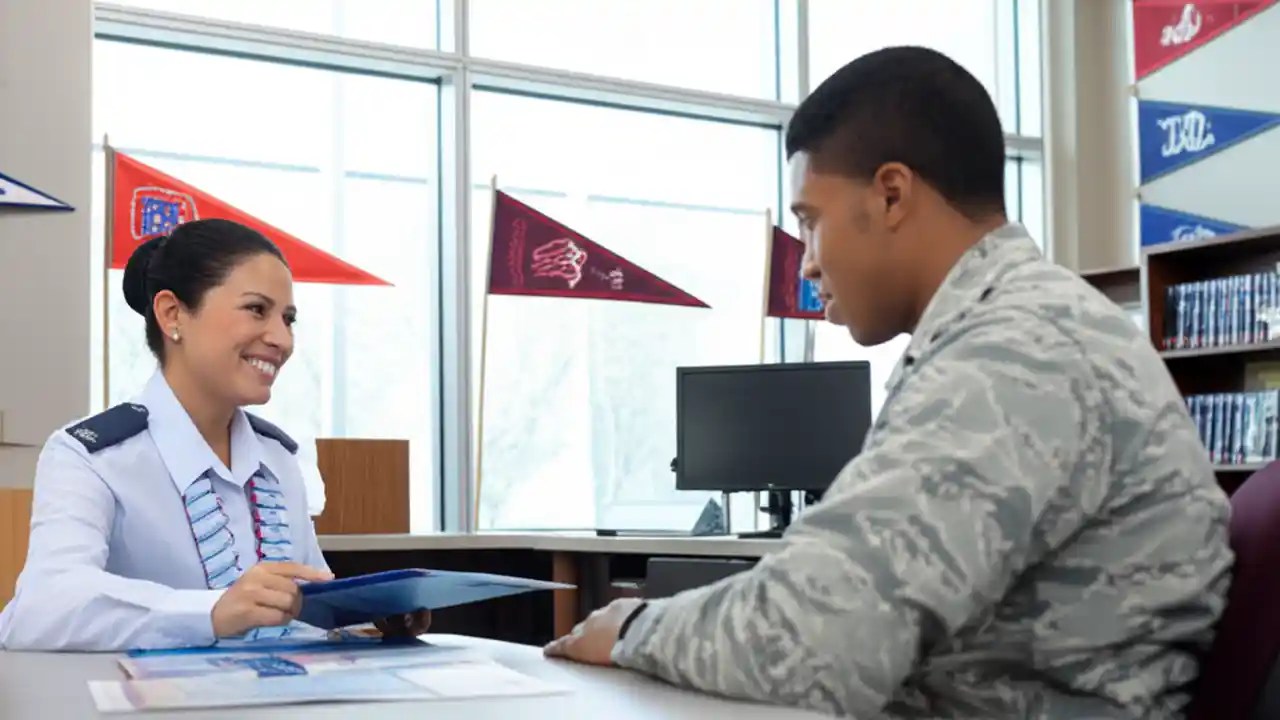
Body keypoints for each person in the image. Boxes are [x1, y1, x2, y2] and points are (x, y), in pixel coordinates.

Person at [544, 46, 1233, 718]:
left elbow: (815, 636)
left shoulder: (1019, 352)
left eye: (810, 223)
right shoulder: (1010, 326)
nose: (808, 264)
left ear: (892, 194)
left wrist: (637, 630)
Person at [0, 218, 428, 651]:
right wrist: (213, 612)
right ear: (172, 315)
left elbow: (307, 605)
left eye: (289, 318)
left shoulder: (277, 459)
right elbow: (44, 609)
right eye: (256, 310)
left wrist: (365, 619)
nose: (282, 339)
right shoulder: (89, 457)